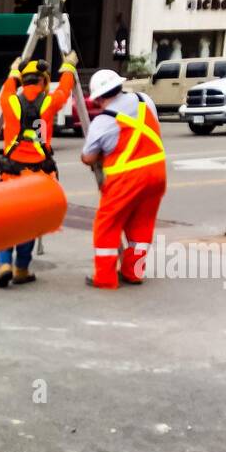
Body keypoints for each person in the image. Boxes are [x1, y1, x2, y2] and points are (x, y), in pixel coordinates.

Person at [0, 52, 77, 289]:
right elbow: (65, 90)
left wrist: (13, 70)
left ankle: (3, 265)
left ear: (24, 80)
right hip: (36, 178)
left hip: (10, 174)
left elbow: (7, 89)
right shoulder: (49, 102)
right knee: (27, 224)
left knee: (6, 222)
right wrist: (68, 66)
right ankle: (21, 268)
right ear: (43, 82)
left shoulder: (10, 102)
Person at [80, 68, 167, 290]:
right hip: (157, 172)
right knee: (142, 225)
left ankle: (105, 278)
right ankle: (133, 273)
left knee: (107, 224)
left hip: (127, 177)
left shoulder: (102, 121)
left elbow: (88, 157)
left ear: (99, 97)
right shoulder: (143, 100)